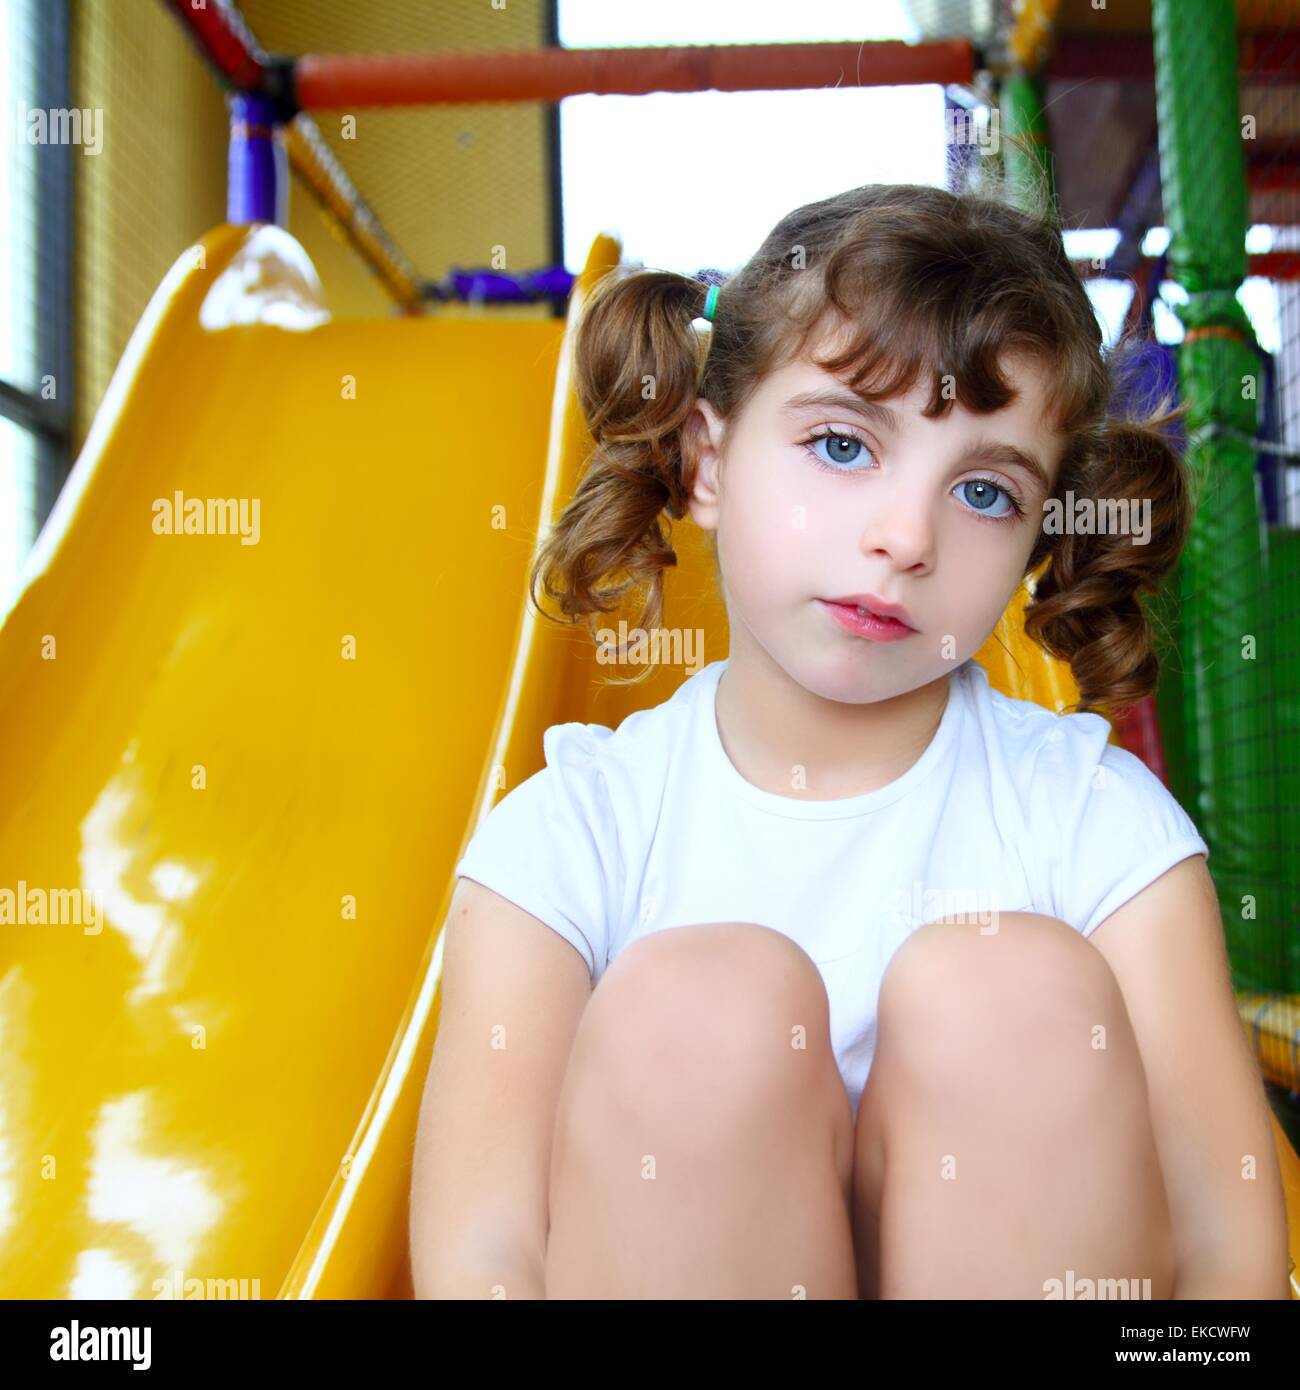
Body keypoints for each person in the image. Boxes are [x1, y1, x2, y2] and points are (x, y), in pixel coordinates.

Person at [436, 183, 1291, 1300]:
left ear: (1040, 535)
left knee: (1010, 990)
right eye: (842, 445)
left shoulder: (1095, 822)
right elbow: (484, 1253)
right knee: (699, 1006)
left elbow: (1227, 1238)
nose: (903, 537)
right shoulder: (568, 838)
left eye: (982, 490)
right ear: (706, 461)